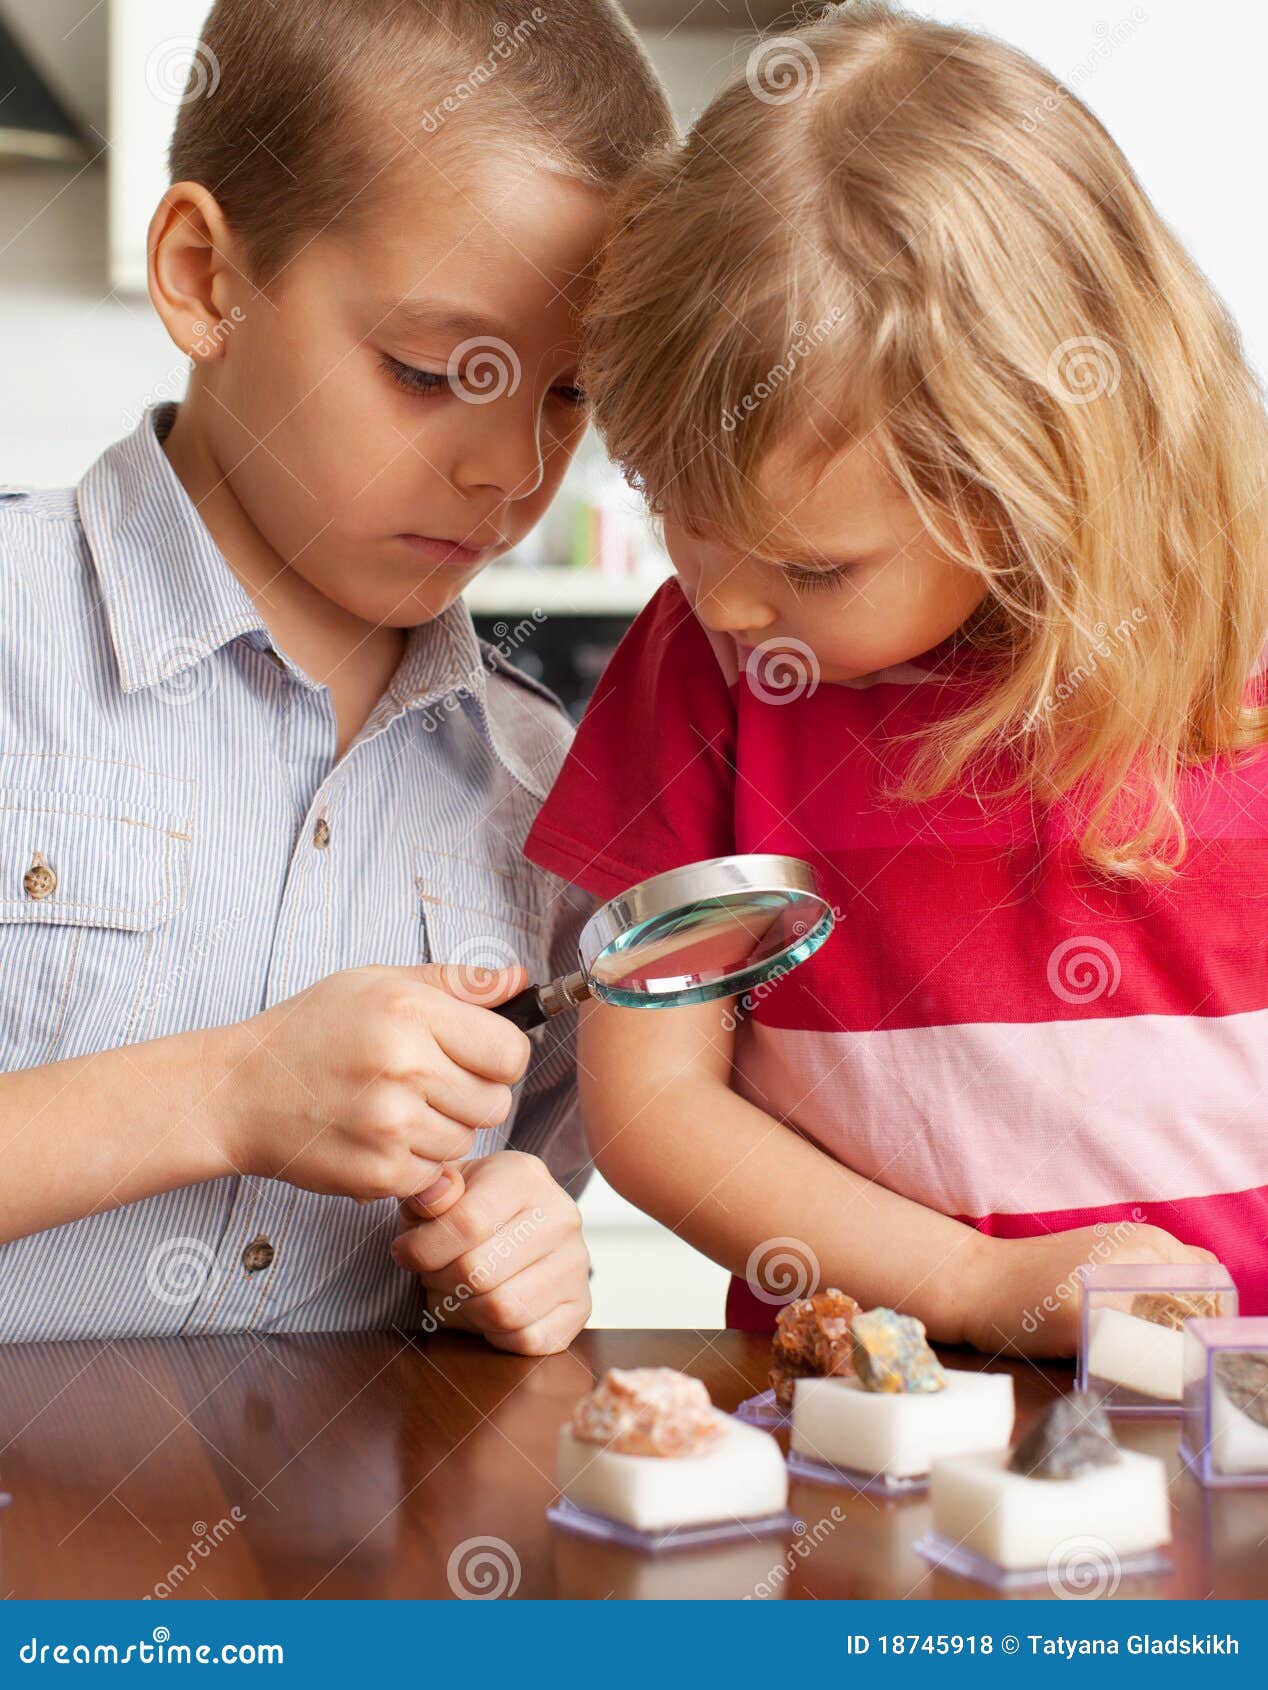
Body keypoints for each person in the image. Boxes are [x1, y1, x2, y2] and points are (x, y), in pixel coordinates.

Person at [525, 1, 1268, 1350]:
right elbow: (652, 1110)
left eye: (814, 572)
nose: (726, 598)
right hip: (860, 1409)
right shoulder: (699, 675)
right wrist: (980, 1287)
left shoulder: (1242, 657)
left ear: (1028, 487)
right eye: (681, 515)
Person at [0, 0, 673, 1347]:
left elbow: (493, 1221)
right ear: (203, 276)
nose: (510, 470)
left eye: (566, 395)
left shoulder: (546, 797)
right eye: (428, 371)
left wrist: (508, 1253)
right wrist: (224, 1092)